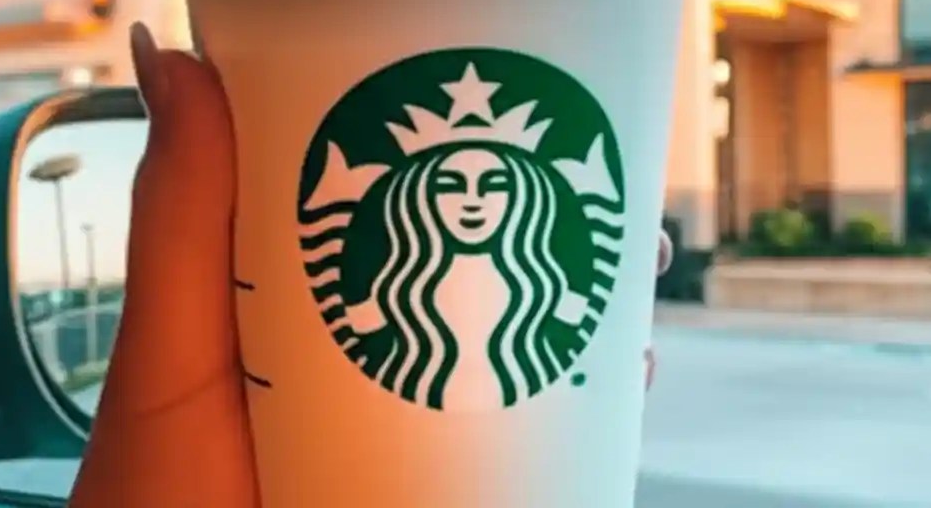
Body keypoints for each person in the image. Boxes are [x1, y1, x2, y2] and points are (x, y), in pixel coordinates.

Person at [68, 25, 673, 507]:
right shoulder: (380, 307)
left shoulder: (552, 303)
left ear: (524, 196)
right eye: (449, 185)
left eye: (492, 183)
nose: (471, 200)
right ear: (414, 199)